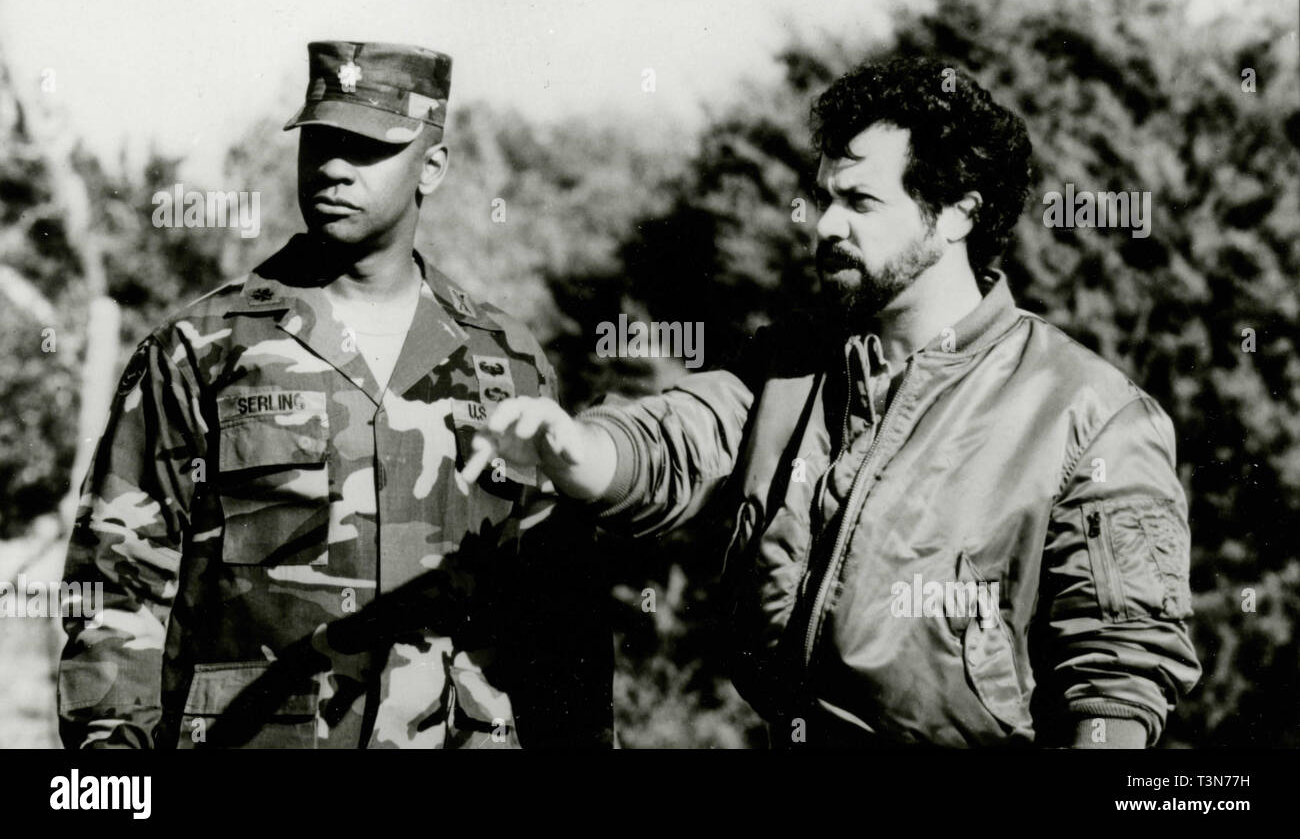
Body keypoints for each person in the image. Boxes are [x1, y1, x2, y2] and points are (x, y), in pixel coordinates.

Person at [469, 56, 1202, 748]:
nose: (824, 224)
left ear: (955, 214)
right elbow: (677, 438)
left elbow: (1119, 668)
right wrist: (578, 450)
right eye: (824, 196)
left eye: (858, 201)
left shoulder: (1090, 413)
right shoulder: (793, 365)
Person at [57, 40, 611, 749]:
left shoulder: (506, 362)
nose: (333, 168)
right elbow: (117, 582)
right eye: (317, 143)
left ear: (431, 168)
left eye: (366, 147)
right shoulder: (202, 349)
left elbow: (561, 613)